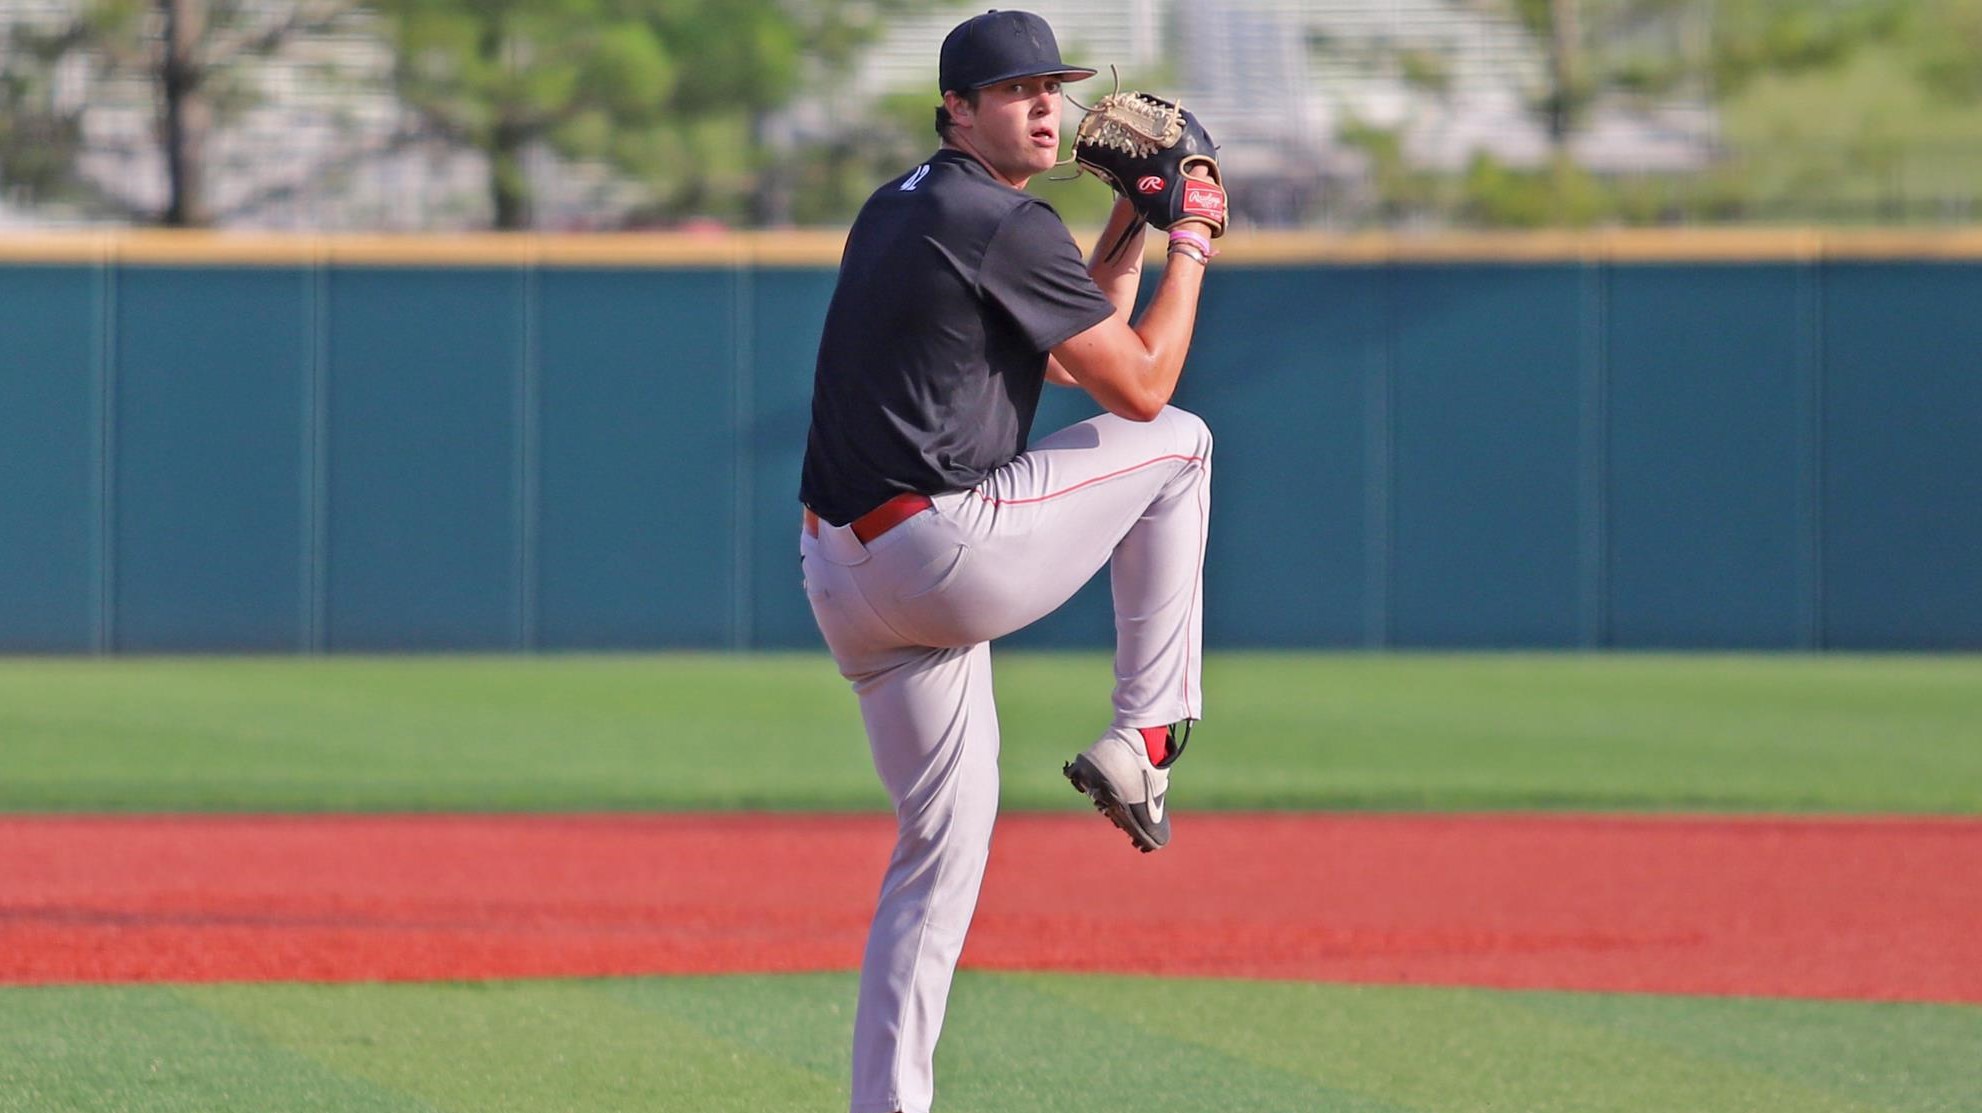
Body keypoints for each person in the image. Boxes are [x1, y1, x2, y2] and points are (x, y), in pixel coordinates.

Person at [797, 10, 1218, 1113]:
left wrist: (1127, 218)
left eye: (1050, 86)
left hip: (845, 578)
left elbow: (1079, 356)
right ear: (955, 108)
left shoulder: (908, 206)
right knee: (1178, 446)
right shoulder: (1000, 222)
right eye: (1014, 90)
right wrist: (1194, 235)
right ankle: (1148, 733)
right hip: (937, 552)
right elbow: (1137, 387)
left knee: (936, 857)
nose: (1043, 106)